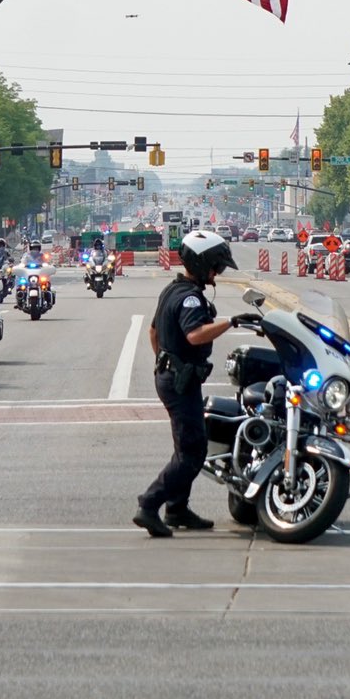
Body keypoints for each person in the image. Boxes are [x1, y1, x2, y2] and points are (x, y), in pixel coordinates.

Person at [134, 229, 241, 539]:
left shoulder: (173, 289)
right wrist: (231, 322)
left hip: (172, 378)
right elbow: (195, 335)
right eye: (216, 265)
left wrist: (165, 362)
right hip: (179, 382)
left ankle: (177, 509)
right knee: (194, 450)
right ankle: (149, 505)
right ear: (203, 261)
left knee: (185, 445)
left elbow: (153, 332)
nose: (218, 271)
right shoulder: (190, 298)